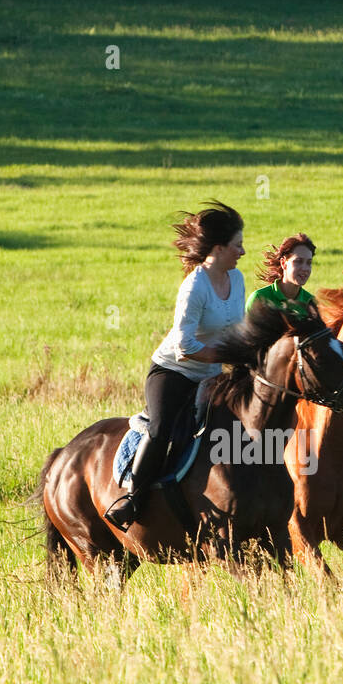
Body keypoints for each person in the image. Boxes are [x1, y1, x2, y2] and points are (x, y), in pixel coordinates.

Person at [104, 201, 246, 531]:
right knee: (162, 427)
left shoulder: (235, 279)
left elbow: (237, 329)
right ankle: (133, 499)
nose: (243, 251)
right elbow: (185, 347)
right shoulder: (194, 286)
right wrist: (225, 356)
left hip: (212, 375)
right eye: (237, 244)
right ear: (219, 248)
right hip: (173, 372)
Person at [245, 233, 316, 319]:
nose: (305, 268)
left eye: (309, 262)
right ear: (283, 263)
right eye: (298, 261)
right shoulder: (259, 299)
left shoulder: (312, 304)